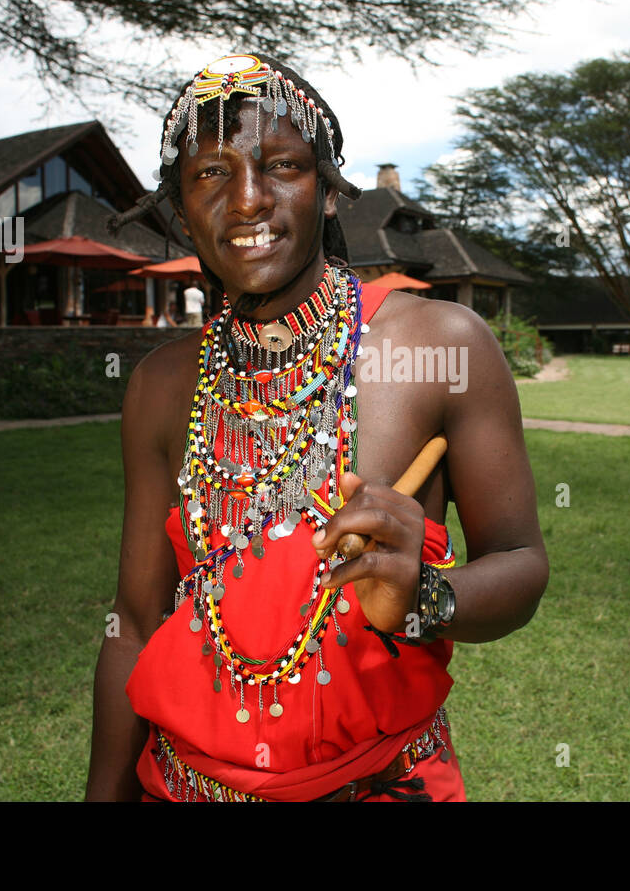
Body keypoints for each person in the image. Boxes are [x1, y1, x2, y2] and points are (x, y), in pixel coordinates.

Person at [86, 53, 548, 802]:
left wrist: (427, 598)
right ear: (179, 213)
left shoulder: (438, 345)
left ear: (330, 191)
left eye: (282, 165)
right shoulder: (161, 386)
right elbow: (135, 625)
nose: (247, 199)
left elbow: (522, 561)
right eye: (210, 173)